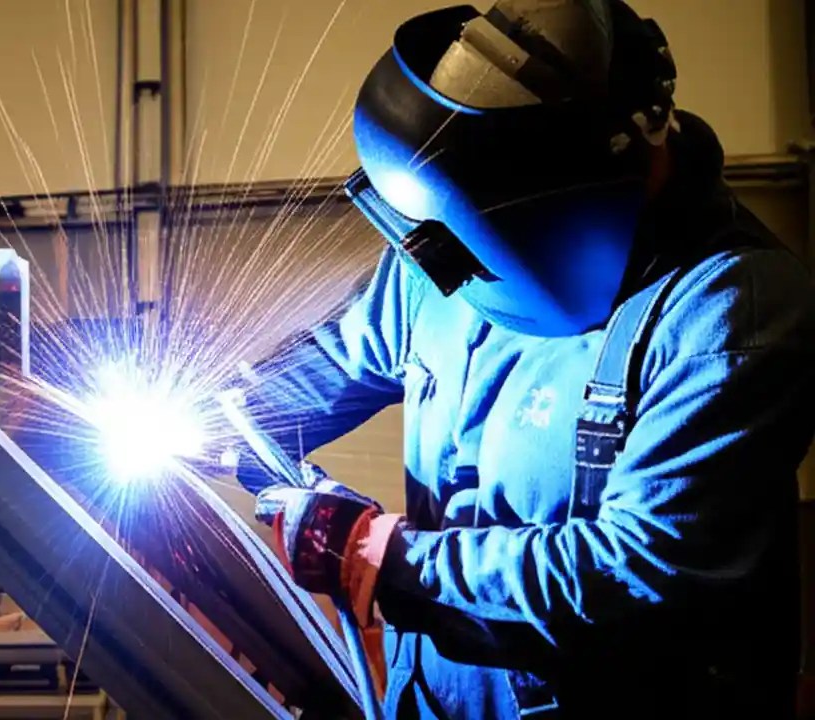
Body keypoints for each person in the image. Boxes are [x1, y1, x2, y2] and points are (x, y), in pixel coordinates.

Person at [228, 1, 815, 717]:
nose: (456, 262)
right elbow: (333, 362)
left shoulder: (731, 310)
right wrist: (210, 420)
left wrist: (382, 555)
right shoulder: (450, 251)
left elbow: (635, 572)